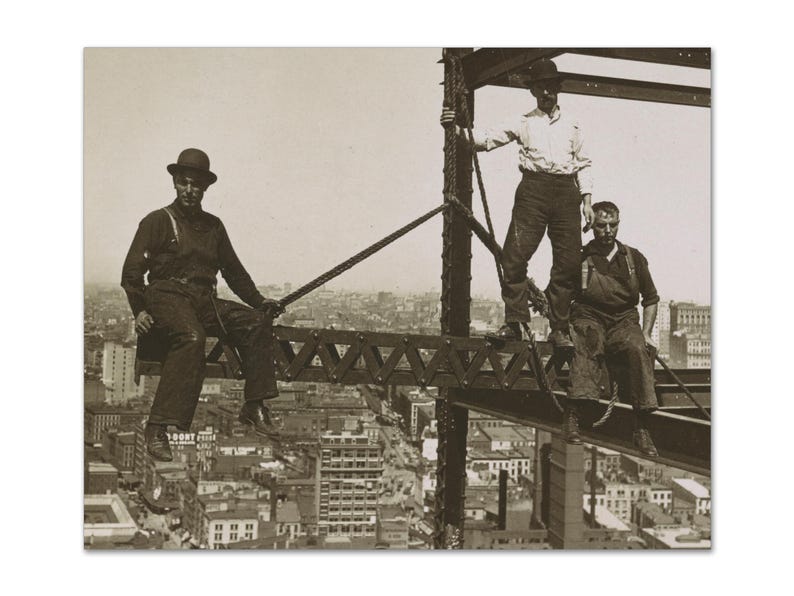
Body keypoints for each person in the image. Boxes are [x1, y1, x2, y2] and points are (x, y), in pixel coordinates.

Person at [121, 148, 284, 462]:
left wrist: (259, 302)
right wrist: (139, 310)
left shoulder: (214, 227)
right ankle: (157, 427)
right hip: (166, 296)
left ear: (205, 188)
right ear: (175, 183)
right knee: (192, 337)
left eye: (196, 184)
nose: (189, 190)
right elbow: (132, 272)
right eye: (184, 182)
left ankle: (254, 405)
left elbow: (234, 272)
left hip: (203, 299)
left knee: (257, 322)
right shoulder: (157, 221)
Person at [440, 58, 594, 347]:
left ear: (557, 89)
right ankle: (515, 322)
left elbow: (584, 163)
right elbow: (485, 140)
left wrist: (586, 200)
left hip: (566, 192)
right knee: (514, 256)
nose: (546, 93)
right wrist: (454, 128)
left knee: (568, 263)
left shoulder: (573, 125)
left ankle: (559, 329)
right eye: (541, 87)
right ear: (533, 91)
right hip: (533, 191)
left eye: (550, 87)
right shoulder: (523, 122)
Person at [563, 201, 660, 457]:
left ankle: (641, 427)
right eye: (601, 225)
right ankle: (573, 415)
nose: (607, 231)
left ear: (618, 224)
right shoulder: (582, 257)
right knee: (588, 342)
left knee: (637, 348)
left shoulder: (633, 258)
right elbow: (565, 293)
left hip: (623, 320)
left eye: (612, 225)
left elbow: (651, 298)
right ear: (592, 226)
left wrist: (646, 333)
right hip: (589, 315)